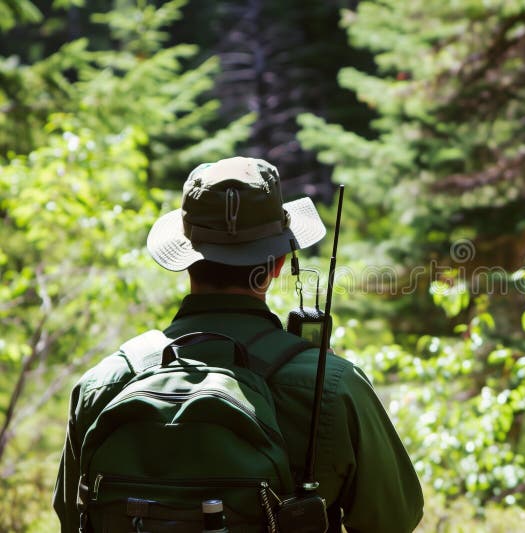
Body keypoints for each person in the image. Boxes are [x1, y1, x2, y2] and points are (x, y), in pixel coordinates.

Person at [53, 156, 424, 532]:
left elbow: (73, 518)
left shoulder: (103, 384)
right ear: (278, 263)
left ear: (185, 258)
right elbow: (394, 519)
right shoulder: (333, 387)